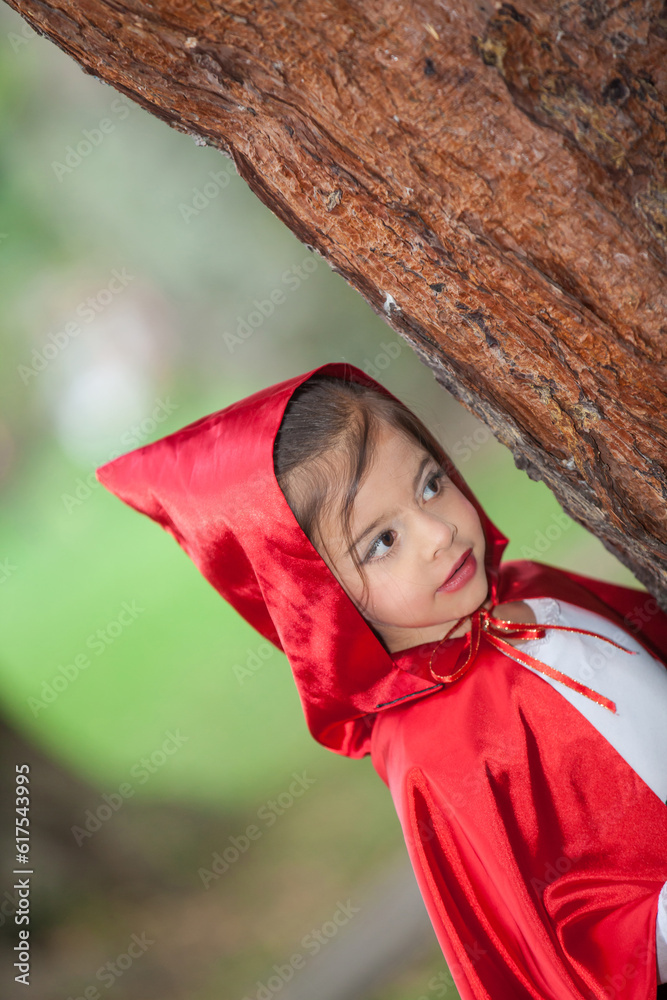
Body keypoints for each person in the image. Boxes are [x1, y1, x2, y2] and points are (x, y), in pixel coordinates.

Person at [95, 362, 667, 1000]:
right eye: (382, 541)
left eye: (429, 484)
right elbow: (560, 960)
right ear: (317, 596)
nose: (438, 532)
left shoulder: (533, 589)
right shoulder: (440, 756)